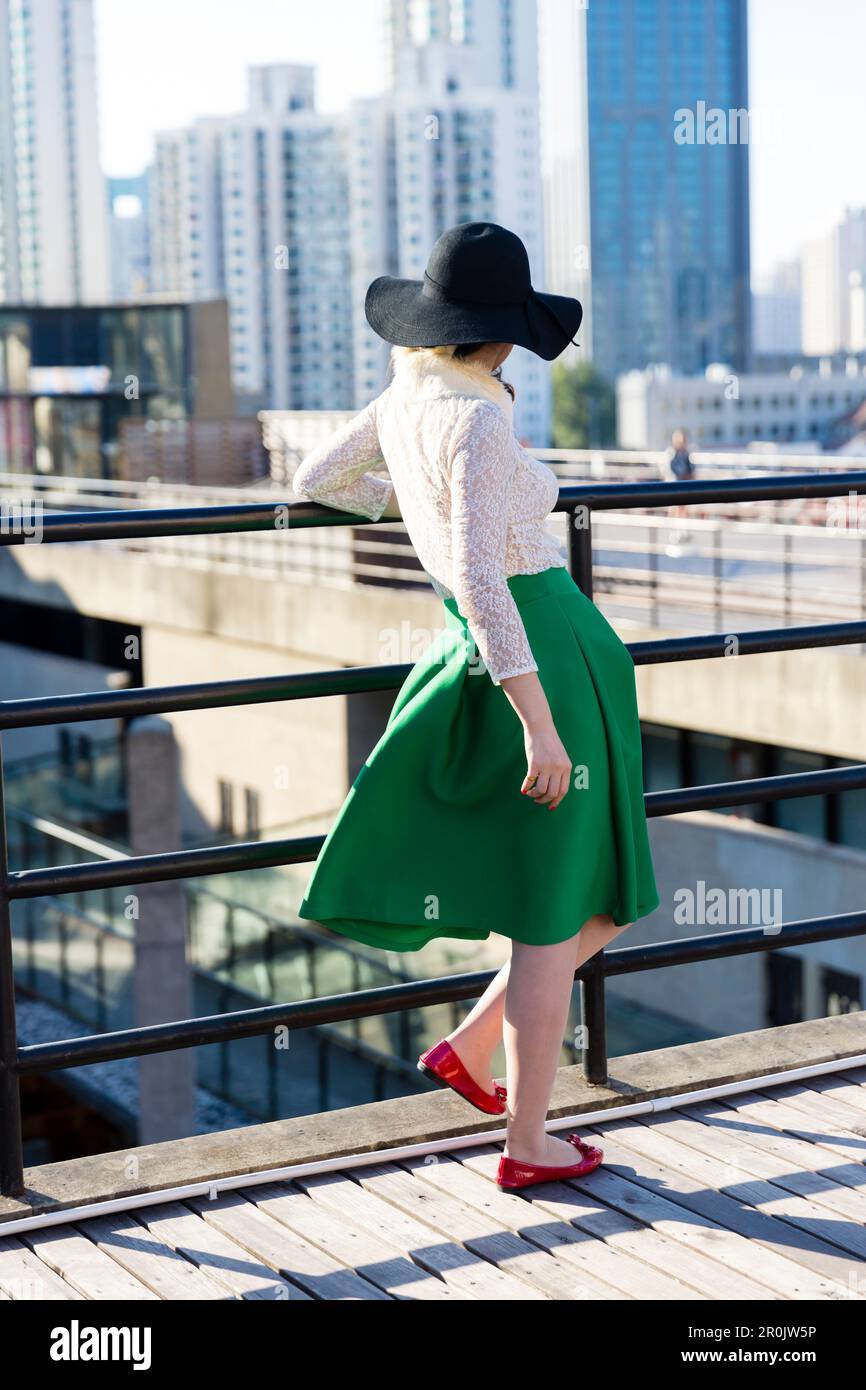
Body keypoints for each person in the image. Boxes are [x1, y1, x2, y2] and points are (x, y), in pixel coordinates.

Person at [292, 222, 660, 1191]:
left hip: (505, 652)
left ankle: (470, 1042)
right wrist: (537, 723)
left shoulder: (408, 393)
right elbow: (483, 577)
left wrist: (412, 505)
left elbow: (310, 480)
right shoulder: (479, 421)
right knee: (559, 908)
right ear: (503, 331)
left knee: (589, 892)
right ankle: (527, 1142)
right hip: (539, 658)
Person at [659, 428, 695, 554]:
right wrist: (683, 476)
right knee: (674, 509)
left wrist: (688, 477)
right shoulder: (671, 453)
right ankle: (673, 532)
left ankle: (683, 531)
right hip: (673, 486)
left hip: (684, 486)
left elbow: (691, 470)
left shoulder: (686, 454)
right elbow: (670, 470)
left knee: (683, 509)